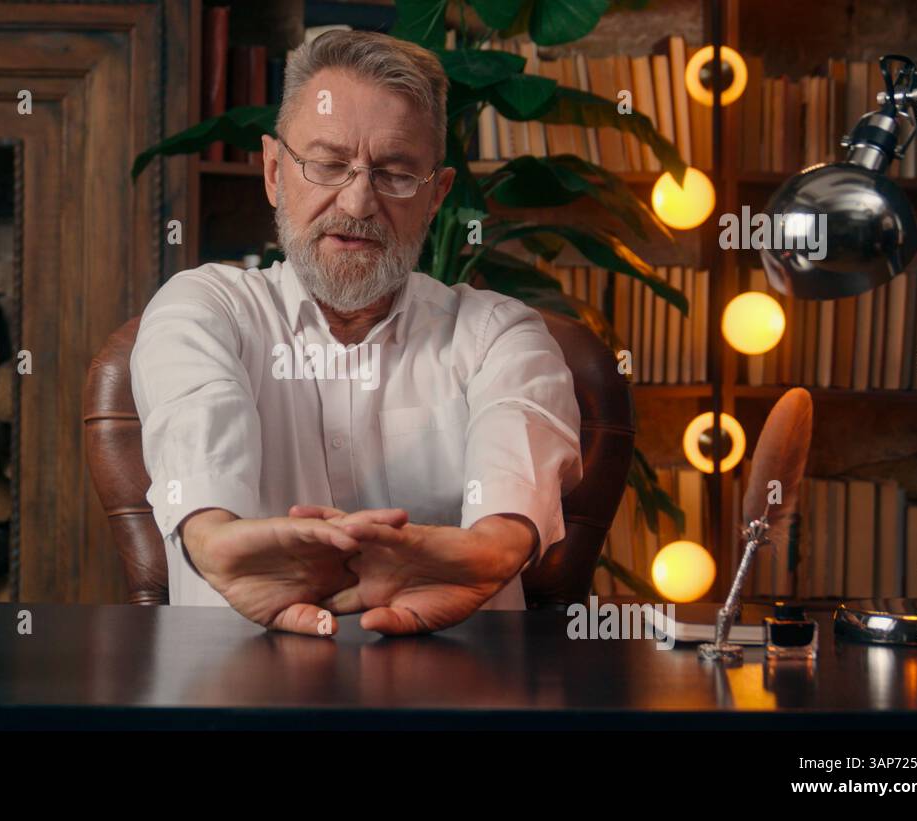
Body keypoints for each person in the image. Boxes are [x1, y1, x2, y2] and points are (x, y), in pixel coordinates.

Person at [130, 30, 582, 637]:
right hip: (233, 702)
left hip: (457, 703)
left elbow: (516, 452)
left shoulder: (499, 334)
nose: (359, 199)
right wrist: (214, 542)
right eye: (328, 164)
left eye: (395, 173)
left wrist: (488, 555)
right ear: (272, 171)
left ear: (436, 196)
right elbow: (197, 422)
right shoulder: (204, 310)